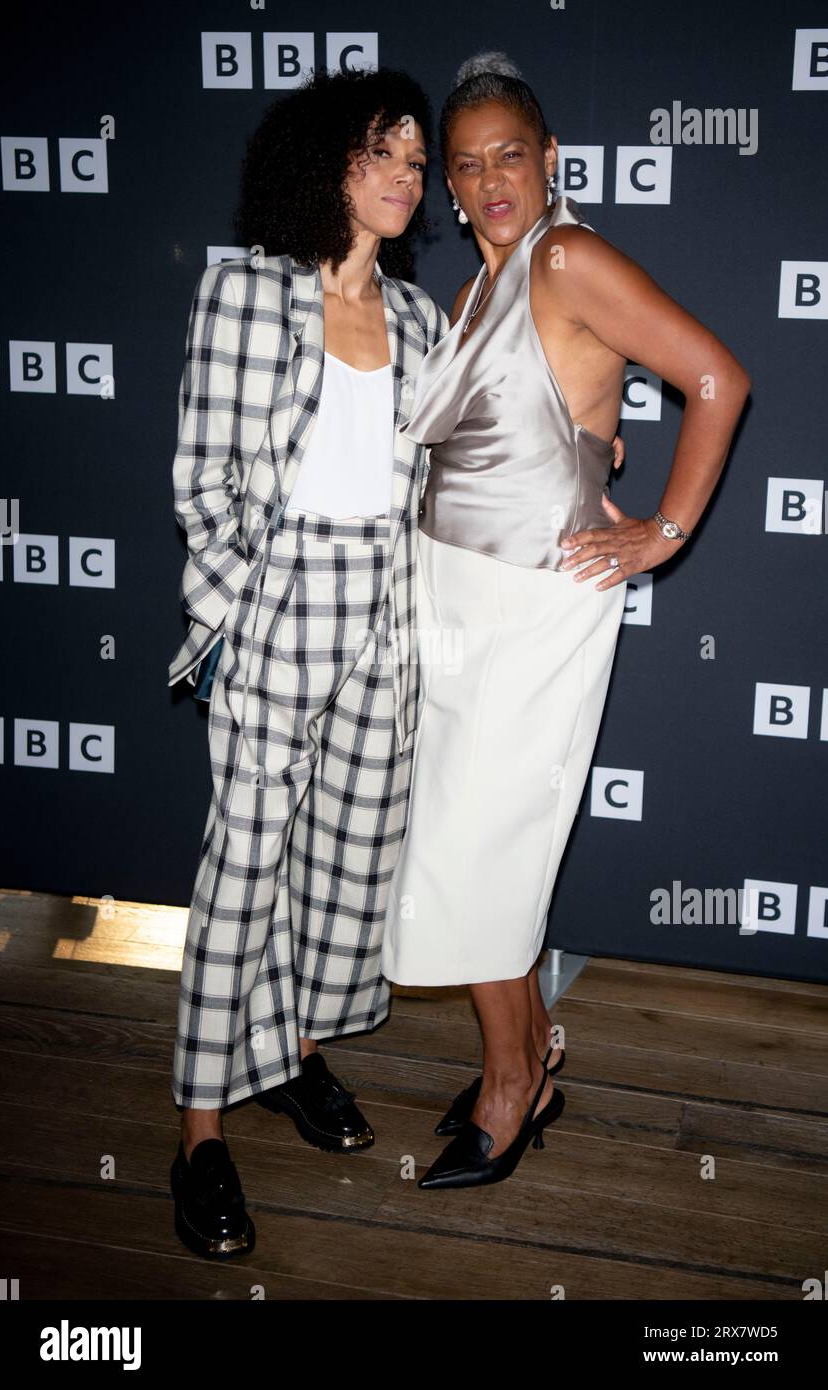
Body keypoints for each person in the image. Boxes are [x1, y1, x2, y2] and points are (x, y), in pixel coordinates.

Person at [381, 52, 751, 1190]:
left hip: (534, 606)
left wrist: (664, 530)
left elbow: (715, 377)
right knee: (479, 846)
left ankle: (514, 1084)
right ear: (446, 186)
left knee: (477, 854)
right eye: (467, 164)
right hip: (448, 595)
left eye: (510, 156)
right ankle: (526, 1051)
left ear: (549, 162)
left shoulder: (570, 258)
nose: (491, 179)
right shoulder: (470, 290)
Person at [166, 68, 446, 1258]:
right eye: (381, 152)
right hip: (278, 612)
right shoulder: (244, 295)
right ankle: (196, 1135)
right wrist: (244, 615)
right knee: (242, 871)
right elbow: (202, 484)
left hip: (379, 623)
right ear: (325, 160)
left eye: (416, 163)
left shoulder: (426, 322)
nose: (403, 177)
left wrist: (595, 442)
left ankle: (294, 1057)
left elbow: (468, 466)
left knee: (336, 863)